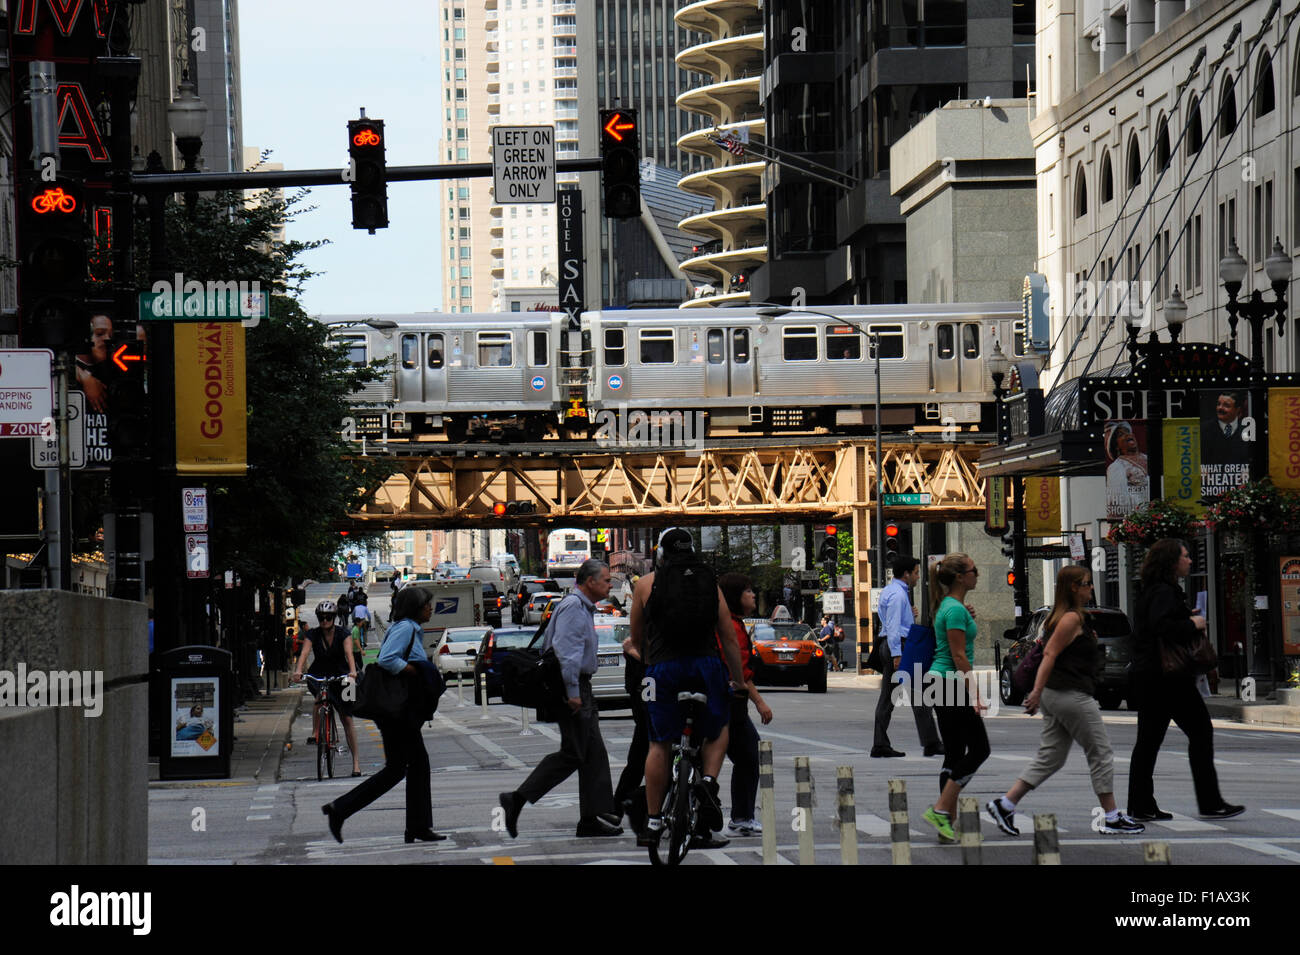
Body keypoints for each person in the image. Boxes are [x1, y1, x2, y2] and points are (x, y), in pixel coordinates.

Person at [986, 566, 1145, 837]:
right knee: (1101, 751)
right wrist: (1035, 692)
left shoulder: (1073, 619)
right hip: (1069, 695)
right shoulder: (1069, 619)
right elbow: (1048, 655)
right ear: (1073, 587)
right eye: (1086, 584)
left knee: (1051, 757)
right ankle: (1111, 816)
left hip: (1058, 694)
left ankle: (1005, 804)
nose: (1090, 588)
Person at [628, 528, 748, 850]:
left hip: (663, 671)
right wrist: (736, 680)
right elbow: (729, 637)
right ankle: (707, 783)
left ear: (661, 555)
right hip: (705, 667)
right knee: (719, 727)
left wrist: (645, 656)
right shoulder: (711, 582)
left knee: (658, 743)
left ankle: (653, 820)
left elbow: (637, 639)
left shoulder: (645, 585)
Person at [498, 559, 624, 838]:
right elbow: (567, 653)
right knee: (575, 753)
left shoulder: (580, 607)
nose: (609, 584)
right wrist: (574, 693)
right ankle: (517, 798)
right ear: (589, 582)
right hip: (572, 686)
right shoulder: (574, 609)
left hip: (578, 686)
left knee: (593, 753)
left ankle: (592, 817)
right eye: (605, 579)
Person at [1126, 539, 1244, 821]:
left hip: (1154, 677)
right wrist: (1193, 623)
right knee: (1200, 733)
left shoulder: (1155, 591)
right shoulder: (1164, 592)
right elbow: (1161, 627)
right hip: (1168, 679)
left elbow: (1157, 624)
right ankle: (1209, 802)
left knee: (1148, 742)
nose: (1190, 561)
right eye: (1186, 556)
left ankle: (1141, 804)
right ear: (1171, 561)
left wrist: (1183, 618)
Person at [322, 585, 445, 844]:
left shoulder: (406, 627)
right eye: (426, 604)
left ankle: (342, 810)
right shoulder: (406, 627)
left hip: (394, 712)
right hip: (397, 711)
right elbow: (388, 659)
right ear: (415, 608)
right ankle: (417, 826)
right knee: (417, 765)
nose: (430, 608)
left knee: (399, 768)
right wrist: (412, 670)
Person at [921, 553, 991, 843]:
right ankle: (941, 810)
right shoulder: (954, 609)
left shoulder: (951, 606)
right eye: (974, 570)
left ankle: (946, 824)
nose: (978, 574)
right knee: (979, 750)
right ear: (961, 577)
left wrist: (965, 614)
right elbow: (959, 656)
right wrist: (975, 692)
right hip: (951, 684)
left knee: (953, 754)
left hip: (941, 683)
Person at [718, 572, 774, 836]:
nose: (753, 595)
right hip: (730, 704)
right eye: (748, 591)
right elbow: (740, 672)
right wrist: (761, 703)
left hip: (727, 702)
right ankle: (740, 817)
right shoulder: (730, 627)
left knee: (744, 757)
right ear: (735, 597)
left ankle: (740, 815)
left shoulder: (734, 624)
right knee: (749, 756)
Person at [872, 555, 944, 759]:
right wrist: (897, 654)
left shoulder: (891, 591)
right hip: (900, 647)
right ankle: (931, 743)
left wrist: (909, 614)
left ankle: (880, 744)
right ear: (906, 574)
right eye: (916, 572)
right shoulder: (898, 595)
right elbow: (894, 627)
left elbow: (888, 620)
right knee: (919, 694)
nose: (917, 576)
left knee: (889, 697)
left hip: (893, 645)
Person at [292, 600, 362, 777]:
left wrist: (353, 671)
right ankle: (317, 732)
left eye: (329, 617)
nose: (325, 620)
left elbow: (349, 654)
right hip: (319, 674)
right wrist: (298, 670)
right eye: (322, 617)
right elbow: (305, 653)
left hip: (343, 675)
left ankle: (356, 763)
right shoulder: (312, 635)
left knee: (347, 718)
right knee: (319, 697)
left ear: (334, 617)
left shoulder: (343, 633)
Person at [1104, 421, 1149, 518]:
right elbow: (1118, 502)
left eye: (1127, 432)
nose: (1127, 435)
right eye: (1121, 434)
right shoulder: (1117, 467)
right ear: (1116, 445)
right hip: (1138, 520)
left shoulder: (1149, 459)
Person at [1201, 391, 1251, 466]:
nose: (1220, 408)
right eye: (1218, 404)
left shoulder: (1248, 430)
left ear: (1237, 410)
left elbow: (1251, 457)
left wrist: (1249, 470)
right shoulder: (1204, 429)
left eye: (1226, 405)